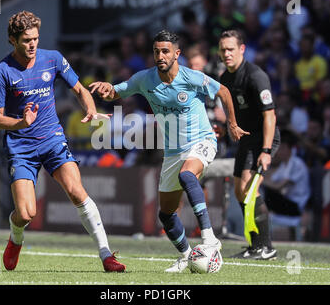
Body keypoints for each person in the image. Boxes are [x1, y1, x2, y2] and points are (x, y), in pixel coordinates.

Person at [90, 30, 249, 272]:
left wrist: (232, 123)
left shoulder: (191, 77)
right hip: (173, 152)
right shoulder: (145, 79)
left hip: (202, 141)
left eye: (165, 51)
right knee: (165, 215)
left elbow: (223, 92)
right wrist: (106, 88)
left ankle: (209, 238)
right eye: (156, 51)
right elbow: (117, 91)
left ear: (177, 54)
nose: (160, 56)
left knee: (188, 175)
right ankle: (186, 255)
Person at [0, 11, 125, 272]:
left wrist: (89, 108)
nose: (32, 44)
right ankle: (15, 238)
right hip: (21, 147)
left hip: (52, 139)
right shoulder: (1, 72)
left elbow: (80, 89)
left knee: (76, 191)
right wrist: (20, 123)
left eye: (36, 39)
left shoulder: (53, 59)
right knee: (26, 214)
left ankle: (107, 255)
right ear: (12, 40)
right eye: (26, 40)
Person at [218, 30, 281, 260]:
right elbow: (231, 112)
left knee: (249, 190)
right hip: (246, 139)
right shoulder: (225, 79)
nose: (227, 54)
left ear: (241, 50)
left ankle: (266, 247)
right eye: (223, 49)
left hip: (264, 138)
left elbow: (270, 116)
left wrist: (266, 151)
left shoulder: (256, 76)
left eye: (231, 49)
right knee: (239, 192)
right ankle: (255, 246)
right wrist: (225, 128)